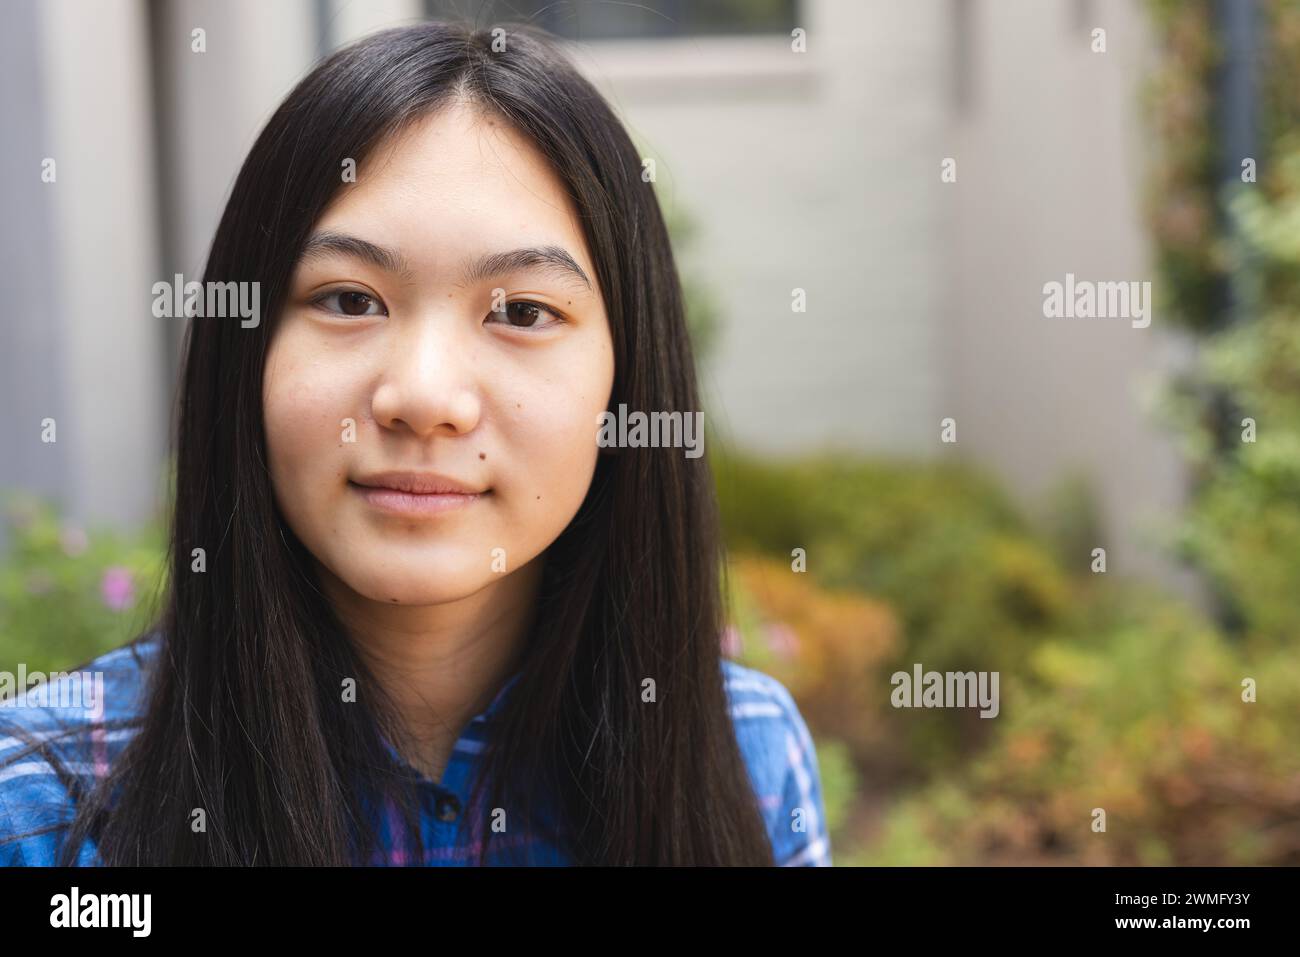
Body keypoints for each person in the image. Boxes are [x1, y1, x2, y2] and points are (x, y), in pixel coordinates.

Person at [0, 19, 830, 867]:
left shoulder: (751, 758)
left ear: (628, 376)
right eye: (350, 300)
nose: (425, 398)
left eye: (522, 312)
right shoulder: (37, 807)